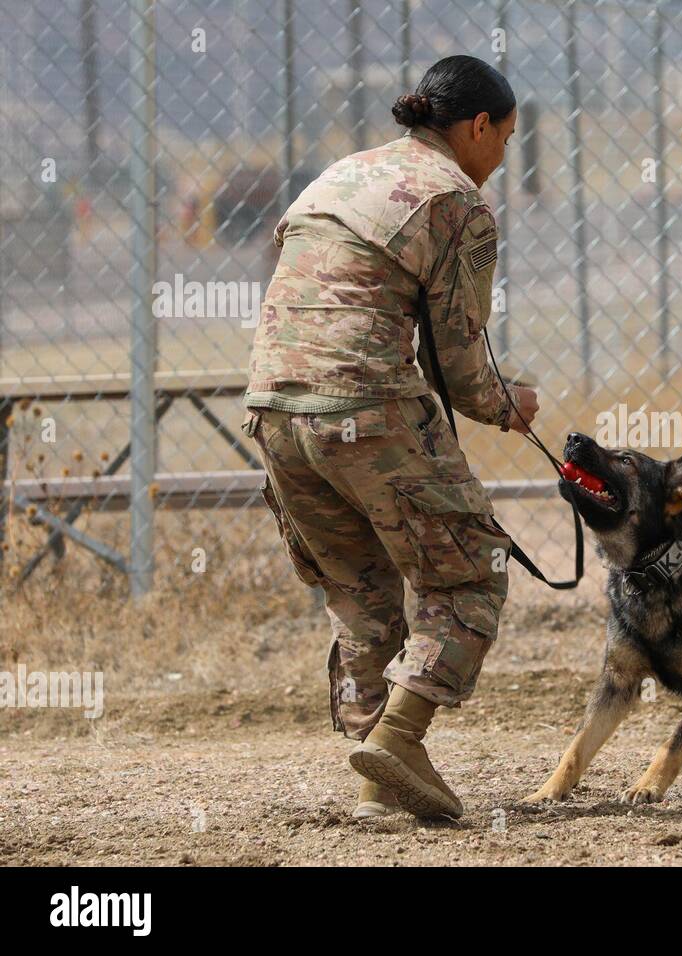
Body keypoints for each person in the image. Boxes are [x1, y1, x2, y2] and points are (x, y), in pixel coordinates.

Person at [241, 55, 537, 820]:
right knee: (470, 573)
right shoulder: (456, 200)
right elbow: (462, 367)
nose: (503, 155)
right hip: (364, 406)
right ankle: (401, 738)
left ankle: (380, 782)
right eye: (504, 138)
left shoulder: (341, 175)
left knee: (363, 593)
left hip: (274, 410)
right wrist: (510, 406)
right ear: (476, 127)